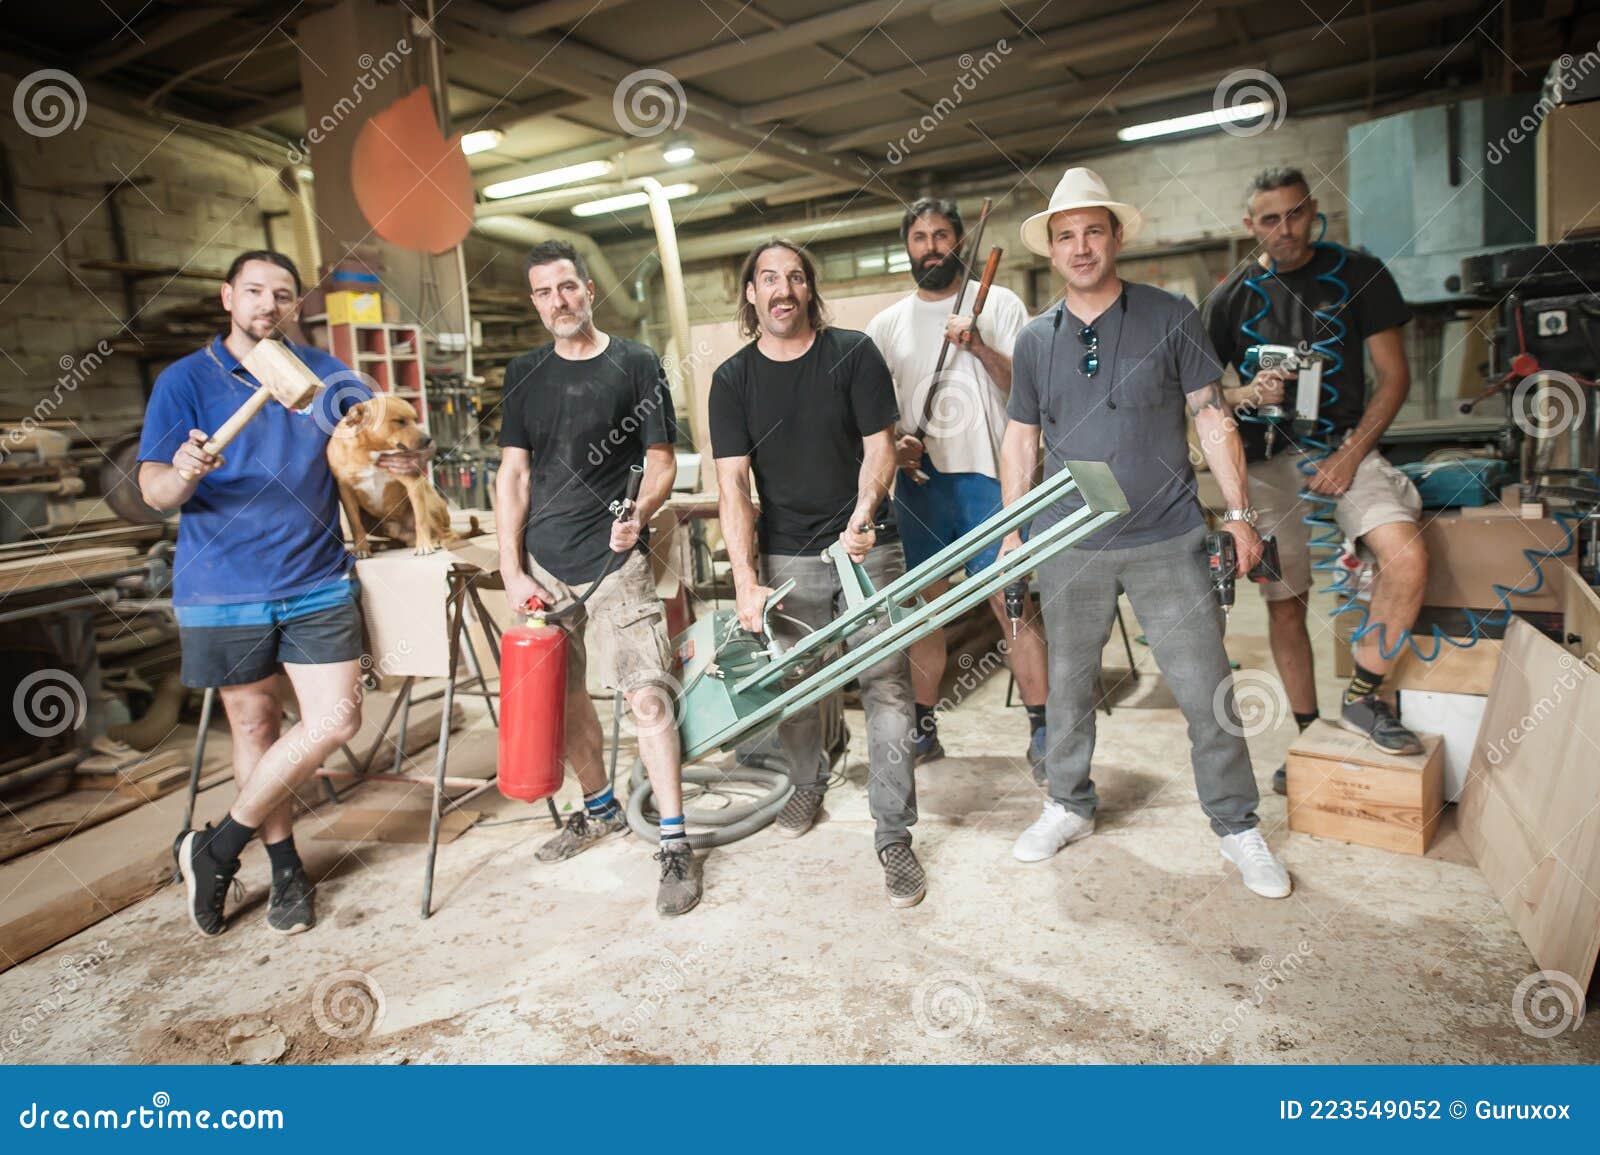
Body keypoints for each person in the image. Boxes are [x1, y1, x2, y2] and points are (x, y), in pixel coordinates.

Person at [999, 168, 1291, 899]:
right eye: (1066, 236)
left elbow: (1210, 412)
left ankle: (1236, 826)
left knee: (1204, 687)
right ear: (1053, 250)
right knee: (1067, 688)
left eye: (1093, 230)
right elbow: (1020, 437)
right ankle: (1067, 804)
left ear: (1116, 236)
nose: (1081, 246)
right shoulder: (1036, 339)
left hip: (1167, 535)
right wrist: (1012, 534)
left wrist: (1241, 512)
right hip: (1068, 541)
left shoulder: (1170, 314)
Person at [140, 249, 427, 937]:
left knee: (336, 719)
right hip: (222, 587)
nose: (268, 304)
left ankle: (217, 847)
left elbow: (374, 462)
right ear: (227, 297)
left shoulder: (328, 378)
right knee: (256, 728)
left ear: (295, 306)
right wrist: (183, 471)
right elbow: (155, 494)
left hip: (315, 577)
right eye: (255, 291)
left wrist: (403, 461)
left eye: (283, 294)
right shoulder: (184, 381)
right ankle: (284, 864)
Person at [709, 239, 924, 908]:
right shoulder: (732, 380)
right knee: (796, 685)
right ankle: (808, 779)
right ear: (751, 293)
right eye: (769, 278)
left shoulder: (853, 354)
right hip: (787, 556)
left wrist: (862, 514)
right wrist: (746, 578)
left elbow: (879, 449)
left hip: (867, 546)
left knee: (887, 688)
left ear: (808, 290)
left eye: (795, 277)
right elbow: (733, 485)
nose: (783, 289)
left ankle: (894, 835)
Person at [1201, 166, 1427, 789]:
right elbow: (1194, 390)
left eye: (1296, 214)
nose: (1285, 229)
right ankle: (1307, 738)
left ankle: (1362, 695)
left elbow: (1394, 376)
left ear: (1314, 211)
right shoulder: (1232, 296)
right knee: (1283, 603)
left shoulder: (1359, 274)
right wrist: (1245, 391)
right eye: (1270, 219)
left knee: (1405, 560)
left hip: (1346, 449)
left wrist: (1353, 453)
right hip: (1268, 465)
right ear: (1251, 226)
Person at [495, 240, 700, 917]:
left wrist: (638, 512)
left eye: (569, 288)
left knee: (647, 696)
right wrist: (510, 564)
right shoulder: (525, 374)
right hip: (545, 569)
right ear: (536, 301)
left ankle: (673, 840)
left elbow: (662, 461)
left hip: (616, 561)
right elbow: (514, 475)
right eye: (545, 292)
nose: (560, 301)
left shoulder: (634, 362)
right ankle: (600, 807)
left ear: (588, 289)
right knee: (563, 700)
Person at [865, 197, 1050, 777]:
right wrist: (897, 447)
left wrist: (976, 345)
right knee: (926, 609)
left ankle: (1044, 726)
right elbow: (876, 418)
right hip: (923, 485)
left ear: (960, 240)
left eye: (941, 235)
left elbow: (1029, 388)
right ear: (907, 248)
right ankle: (923, 729)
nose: (931, 247)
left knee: (1009, 602)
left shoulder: (999, 303)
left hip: (992, 479)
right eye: (919, 237)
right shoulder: (886, 325)